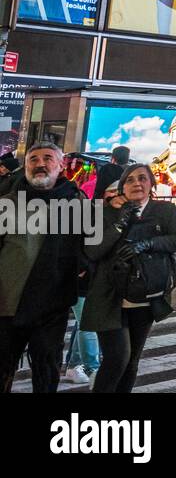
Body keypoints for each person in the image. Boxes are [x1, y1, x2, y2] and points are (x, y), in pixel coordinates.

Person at [84, 163, 176, 393]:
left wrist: (149, 244)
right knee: (117, 358)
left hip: (146, 295)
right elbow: (93, 251)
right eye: (129, 180)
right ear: (122, 187)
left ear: (151, 184)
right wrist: (120, 221)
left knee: (131, 362)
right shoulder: (107, 211)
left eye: (142, 178)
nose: (136, 183)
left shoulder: (164, 211)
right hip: (109, 296)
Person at [0, 143, 84, 393]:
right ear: (25, 167)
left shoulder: (76, 204)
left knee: (46, 373)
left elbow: (88, 251)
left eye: (48, 158)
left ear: (60, 166)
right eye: (33, 159)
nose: (40, 163)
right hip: (6, 304)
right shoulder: (7, 202)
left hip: (51, 306)